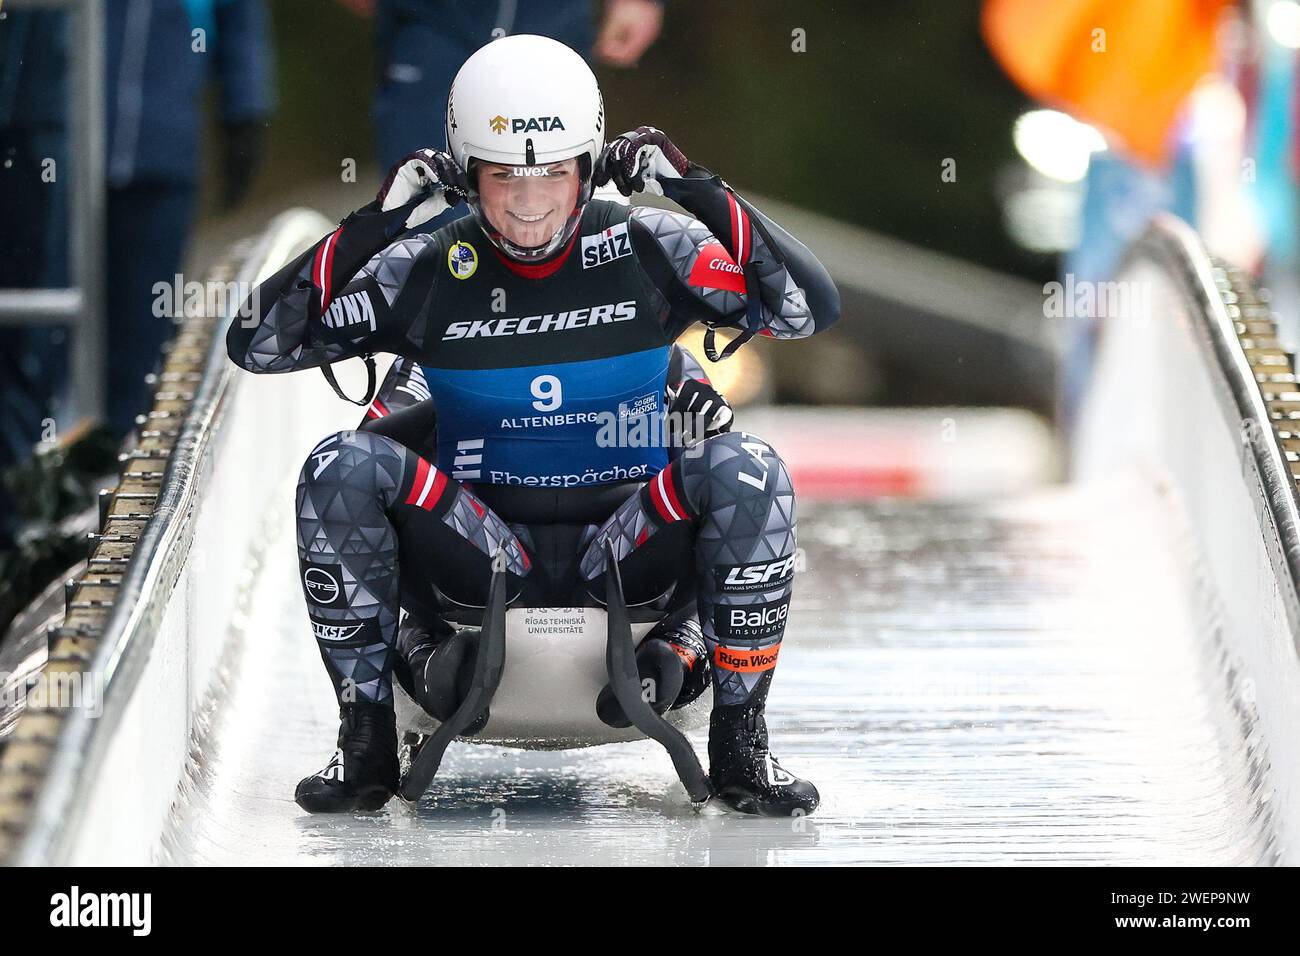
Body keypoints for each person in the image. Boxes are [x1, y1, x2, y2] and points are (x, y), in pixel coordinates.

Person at [227, 35, 840, 816]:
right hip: (486, 548)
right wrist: (373, 224)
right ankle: (365, 741)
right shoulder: (425, 263)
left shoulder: (652, 244)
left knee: (749, 468)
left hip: (624, 542)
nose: (527, 202)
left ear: (585, 167)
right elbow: (257, 341)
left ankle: (742, 745)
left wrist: (694, 188)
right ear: (464, 170)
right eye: (502, 177)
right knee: (338, 465)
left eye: (551, 172)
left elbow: (806, 307)